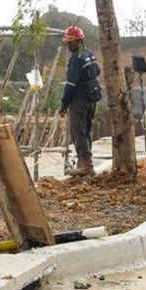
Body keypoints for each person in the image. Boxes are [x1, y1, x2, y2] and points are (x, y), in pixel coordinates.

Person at [58, 25, 102, 177]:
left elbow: (71, 84)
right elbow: (97, 70)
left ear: (78, 41)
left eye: (71, 42)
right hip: (92, 97)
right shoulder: (89, 54)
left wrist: (64, 105)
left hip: (79, 99)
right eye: (68, 43)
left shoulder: (77, 58)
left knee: (78, 131)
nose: (69, 46)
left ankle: (86, 165)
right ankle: (84, 163)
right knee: (86, 129)